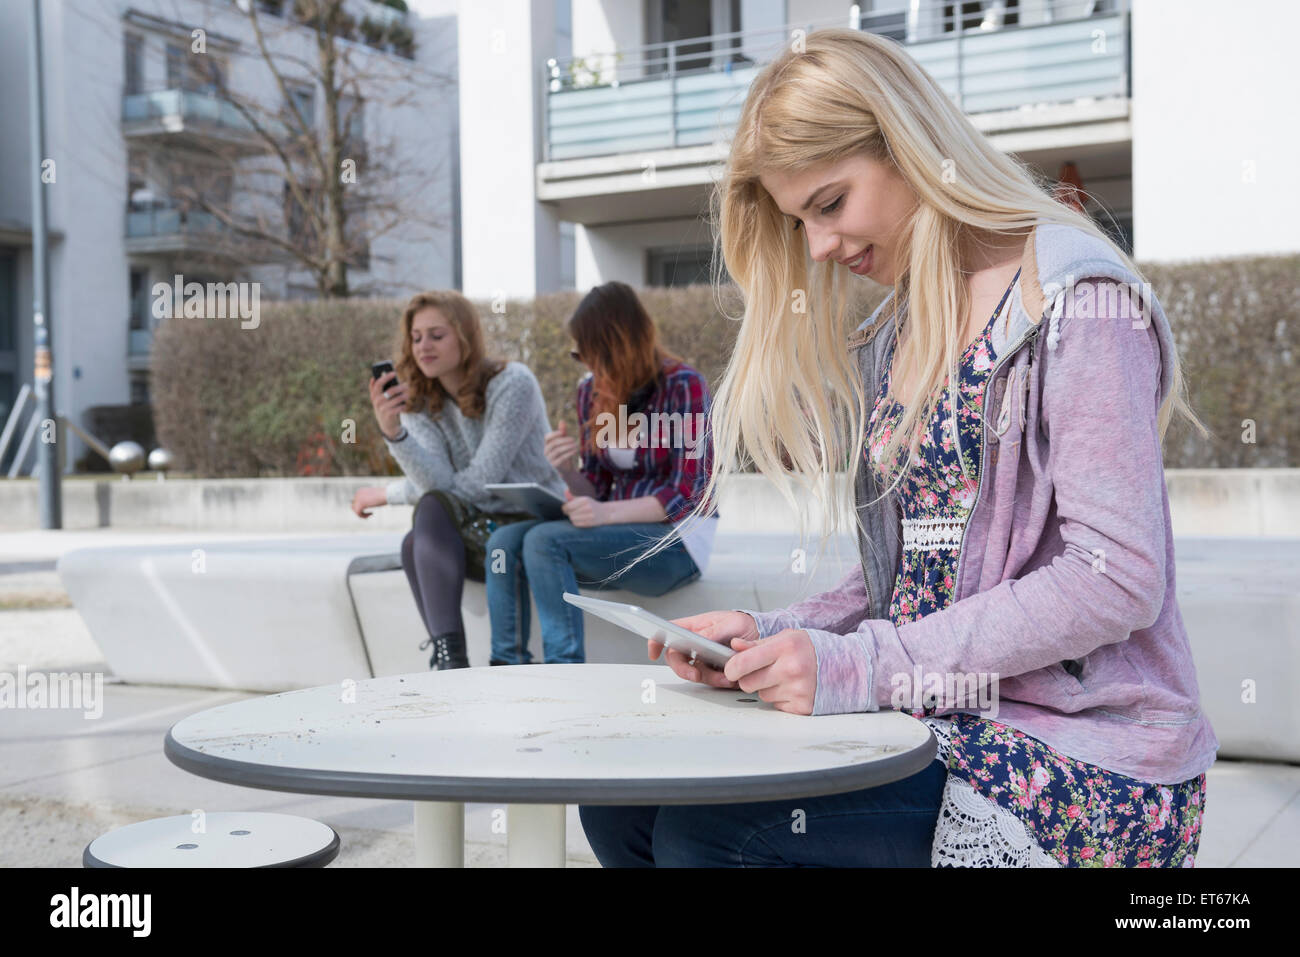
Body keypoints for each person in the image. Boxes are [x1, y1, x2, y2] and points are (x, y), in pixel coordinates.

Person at [578, 28, 1218, 867]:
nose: (818, 248)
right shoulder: (903, 327)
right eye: (800, 219)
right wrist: (771, 636)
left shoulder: (1082, 302)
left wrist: (859, 665)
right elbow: (915, 579)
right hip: (939, 716)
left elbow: (1120, 577)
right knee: (618, 803)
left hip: (1088, 757)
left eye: (830, 203)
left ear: (910, 146)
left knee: (719, 831)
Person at [483, 281, 719, 665]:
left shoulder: (683, 387)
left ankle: (565, 669)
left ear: (619, 346)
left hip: (676, 545)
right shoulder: (591, 391)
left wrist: (604, 513)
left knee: (544, 541)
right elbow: (595, 487)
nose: (586, 365)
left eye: (589, 353)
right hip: (614, 535)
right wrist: (563, 469)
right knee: (504, 542)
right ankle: (506, 666)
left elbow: (685, 495)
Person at [351, 290, 565, 670]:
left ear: (465, 336)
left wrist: (391, 493)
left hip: (531, 521)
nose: (423, 347)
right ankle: (452, 660)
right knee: (412, 541)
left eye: (437, 335)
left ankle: (452, 663)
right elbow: (439, 481)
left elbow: (480, 481)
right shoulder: (418, 402)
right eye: (416, 338)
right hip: (475, 524)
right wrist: (394, 433)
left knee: (427, 520)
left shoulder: (512, 383)